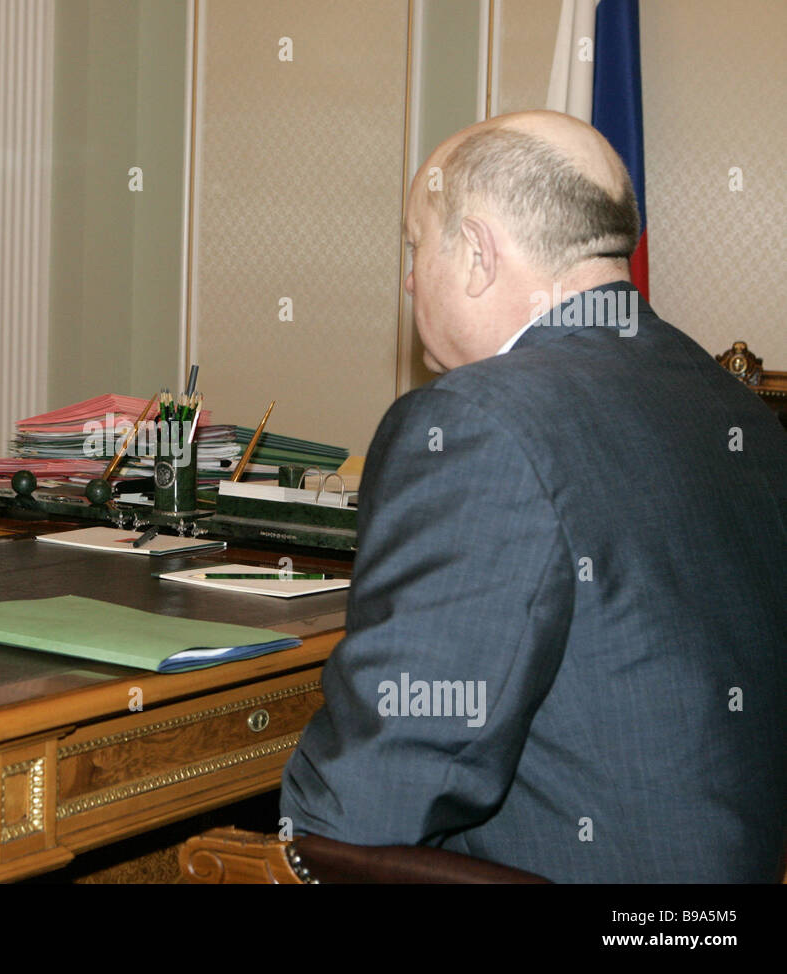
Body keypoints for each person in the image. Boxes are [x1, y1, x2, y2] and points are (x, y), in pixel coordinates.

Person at [280, 110, 787, 883]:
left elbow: (366, 807)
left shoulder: (479, 422)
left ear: (478, 253)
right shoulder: (730, 404)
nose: (411, 278)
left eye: (417, 247)